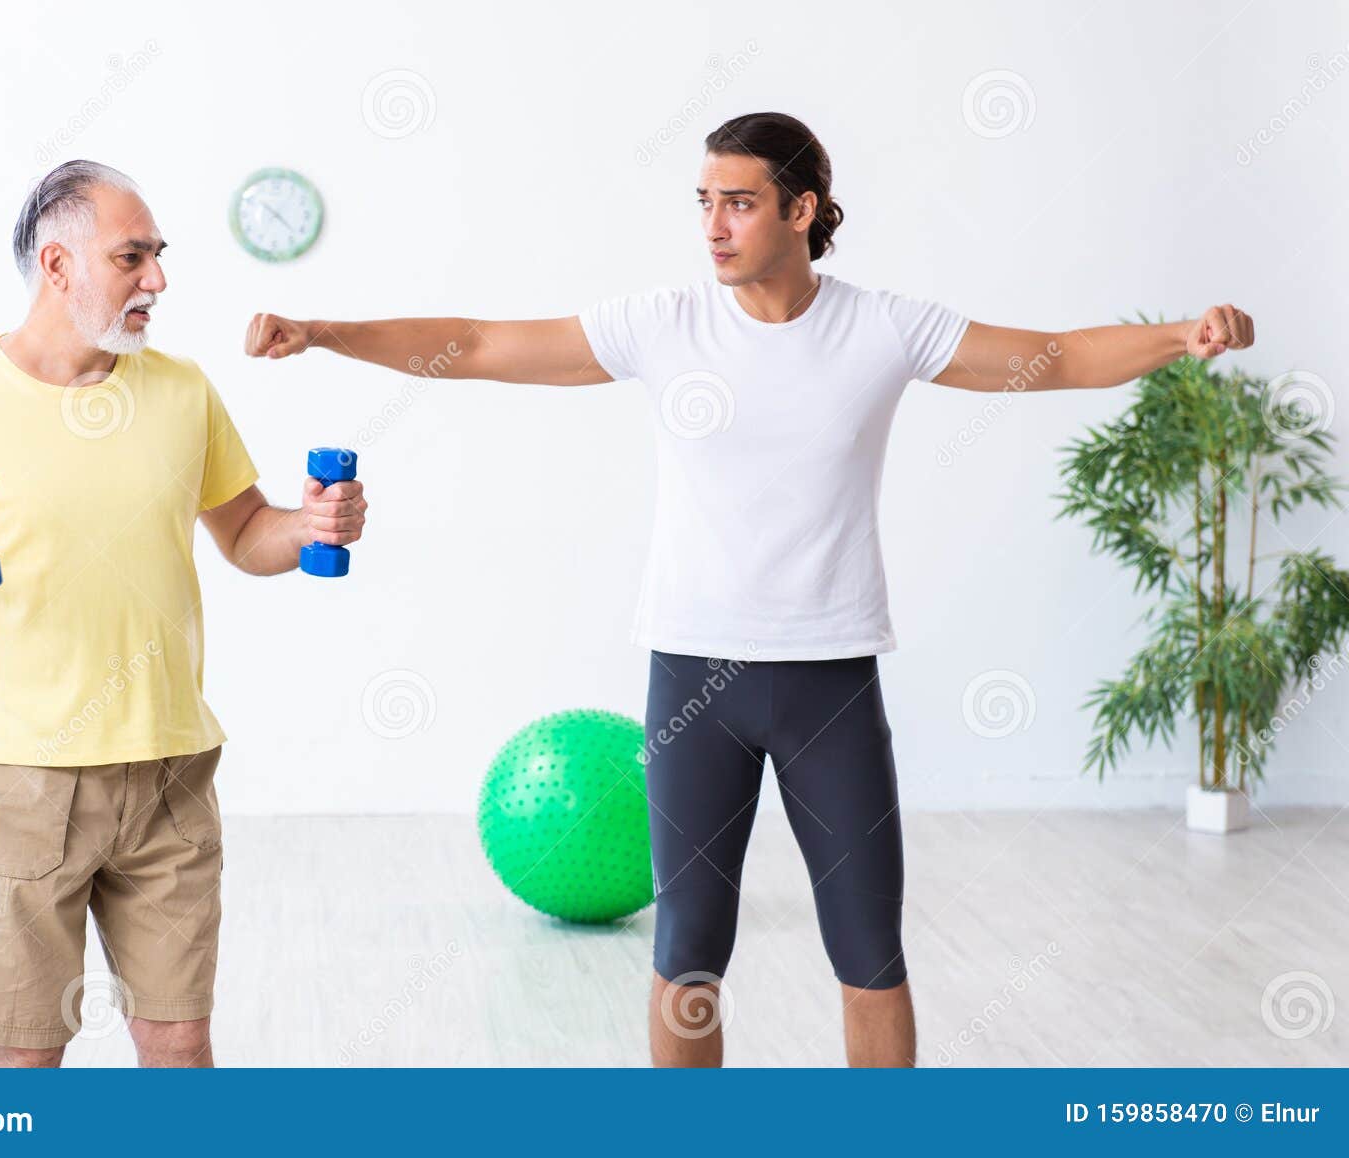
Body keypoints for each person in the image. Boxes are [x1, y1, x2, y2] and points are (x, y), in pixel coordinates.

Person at [242, 111, 1253, 1067]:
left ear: (801, 209)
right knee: (687, 949)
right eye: (703, 201)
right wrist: (325, 330)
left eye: (737, 202)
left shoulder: (881, 327)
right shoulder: (665, 323)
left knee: (868, 947)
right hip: (695, 679)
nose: (713, 226)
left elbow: (1055, 358)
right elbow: (477, 343)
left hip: (830, 683)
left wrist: (1184, 336)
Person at [0, 160, 368, 1068]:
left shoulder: (182, 391)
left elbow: (245, 533)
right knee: (27, 1052)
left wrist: (309, 527)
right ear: (57, 264)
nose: (158, 279)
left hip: (169, 771)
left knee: (180, 1041)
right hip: (17, 783)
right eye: (132, 257)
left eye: (158, 255)